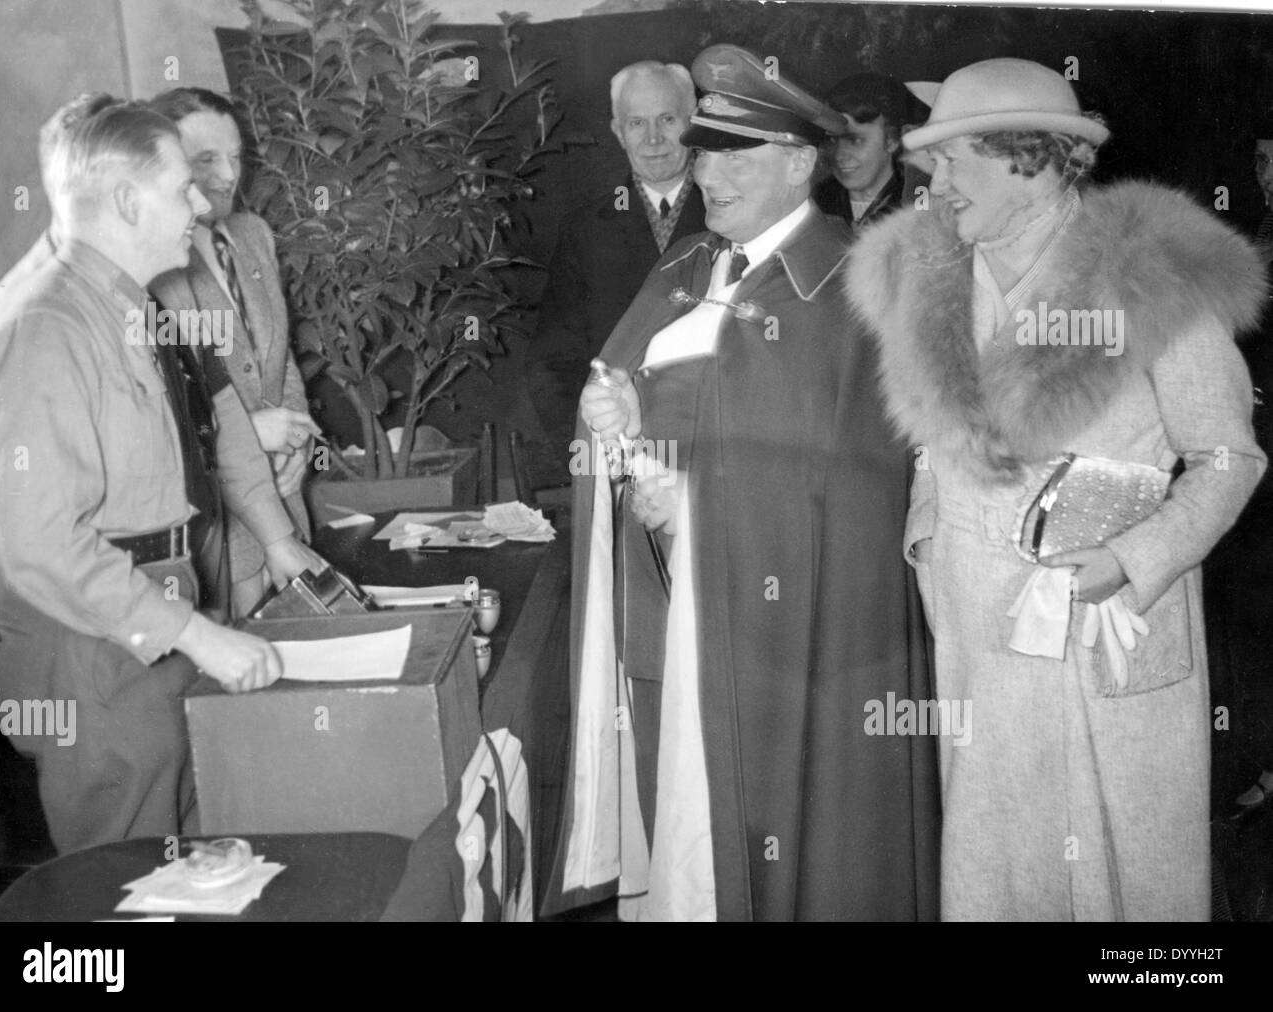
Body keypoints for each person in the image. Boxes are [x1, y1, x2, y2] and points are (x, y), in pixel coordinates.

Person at [846, 58, 1268, 920]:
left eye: (959, 158)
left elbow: (1230, 458)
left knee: (1127, 886)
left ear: (1032, 160)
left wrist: (1129, 558)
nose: (936, 180)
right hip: (979, 641)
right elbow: (936, 447)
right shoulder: (930, 279)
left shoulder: (1153, 280)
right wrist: (933, 540)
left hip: (1106, 633)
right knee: (997, 870)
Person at [550, 44, 938, 921]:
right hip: (670, 605)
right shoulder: (684, 264)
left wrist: (695, 503)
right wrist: (622, 423)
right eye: (704, 150)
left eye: (735, 153)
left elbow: (862, 491)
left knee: (786, 844)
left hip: (788, 644)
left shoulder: (856, 285)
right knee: (685, 833)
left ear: (800, 162)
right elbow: (620, 390)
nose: (706, 171)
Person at [0, 95, 286, 854]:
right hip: (93, 657)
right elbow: (42, 543)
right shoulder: (46, 324)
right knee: (127, 886)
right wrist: (195, 635)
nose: (200, 201)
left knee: (186, 874)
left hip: (139, 633)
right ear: (123, 199)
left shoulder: (118, 304)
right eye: (182, 185)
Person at [149, 87, 321, 617]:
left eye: (236, 158)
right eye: (206, 161)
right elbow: (168, 406)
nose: (228, 176)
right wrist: (251, 433)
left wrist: (296, 442)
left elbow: (282, 360)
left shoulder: (253, 235)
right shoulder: (151, 262)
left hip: (283, 513)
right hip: (214, 534)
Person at [525, 61, 706, 465]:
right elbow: (553, 360)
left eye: (667, 119)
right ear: (618, 133)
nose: (654, 138)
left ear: (694, 122)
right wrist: (594, 445)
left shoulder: (730, 217)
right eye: (637, 123)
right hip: (613, 453)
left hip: (711, 452)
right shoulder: (584, 230)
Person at [1206, 120, 1273, 825]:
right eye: (1259, 161)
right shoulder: (1248, 233)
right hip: (1254, 453)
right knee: (1248, 618)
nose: (1268, 176)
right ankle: (1257, 759)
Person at [814, 72, 930, 228]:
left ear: (891, 140)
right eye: (832, 140)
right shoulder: (813, 201)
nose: (839, 155)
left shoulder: (917, 201)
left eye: (855, 140)